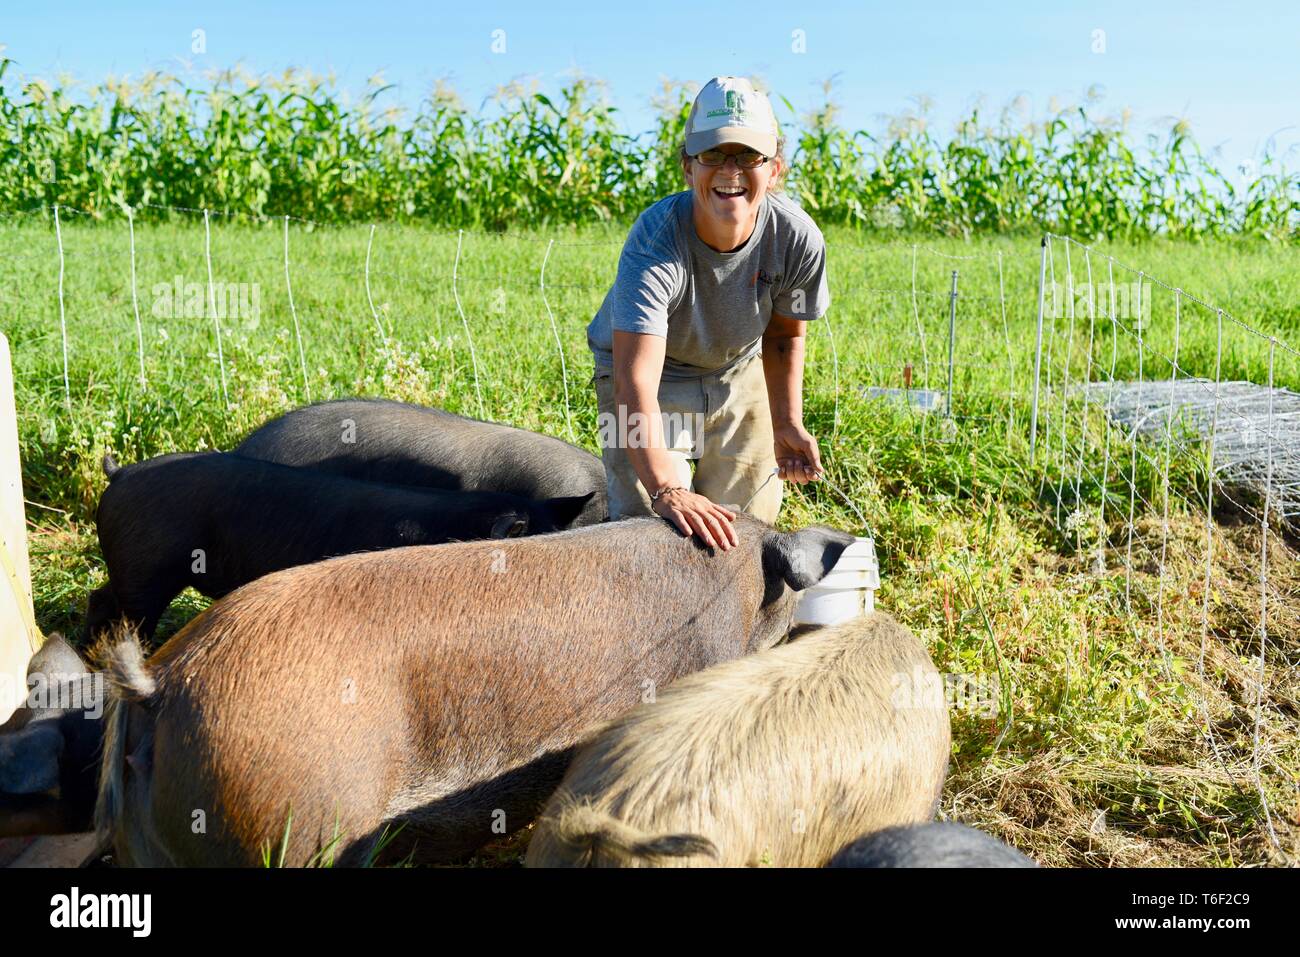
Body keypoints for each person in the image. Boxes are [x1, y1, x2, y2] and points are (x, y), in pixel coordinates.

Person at [587, 75, 830, 551]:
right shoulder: (657, 242)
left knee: (745, 531)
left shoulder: (797, 239)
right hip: (654, 381)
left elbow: (783, 336)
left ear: (775, 168)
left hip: (737, 368)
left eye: (748, 155)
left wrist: (787, 422)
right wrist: (667, 489)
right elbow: (634, 382)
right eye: (713, 155)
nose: (730, 170)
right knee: (650, 533)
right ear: (687, 166)